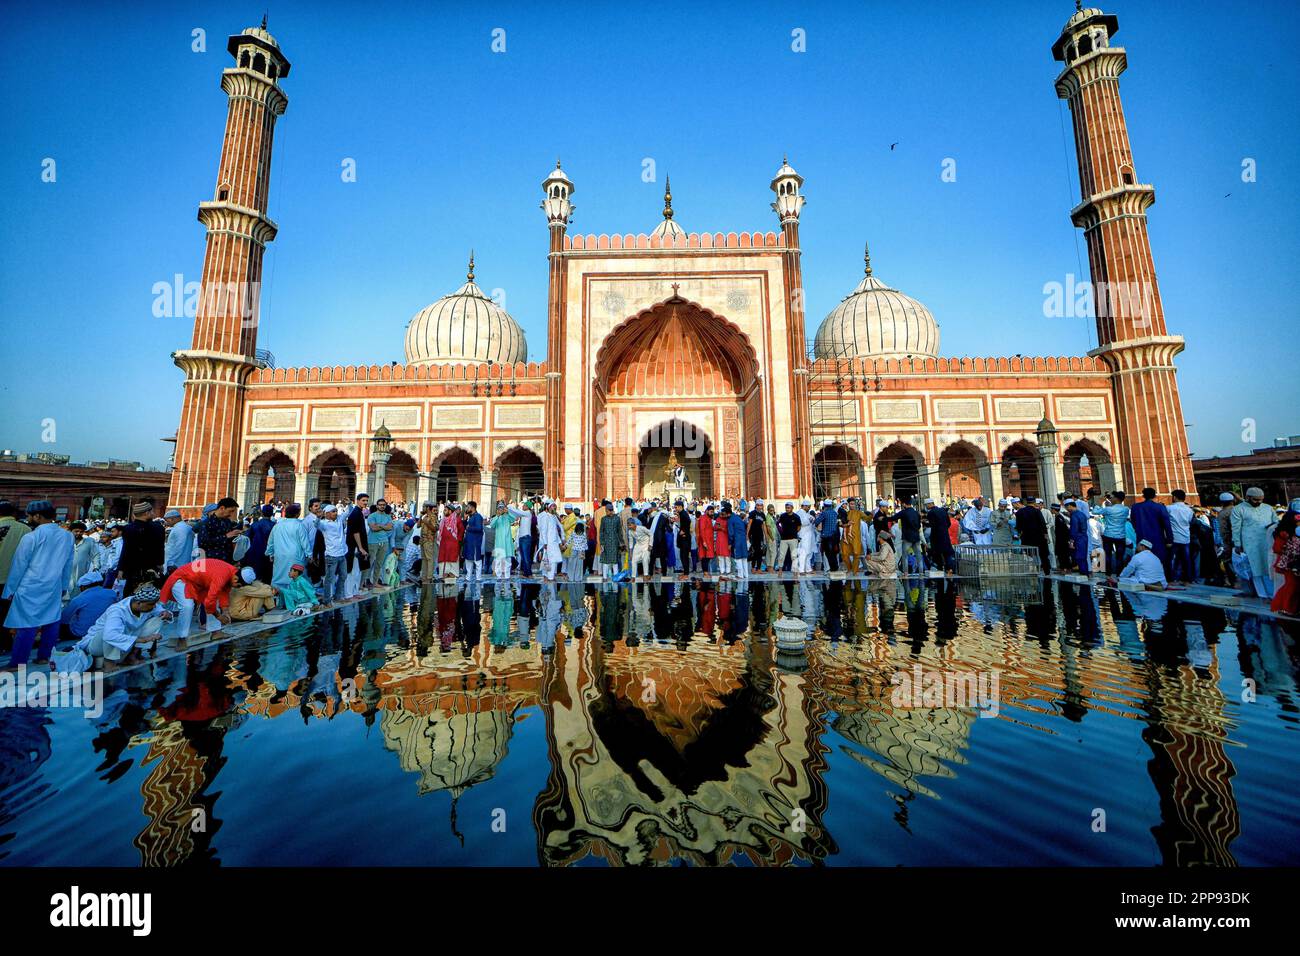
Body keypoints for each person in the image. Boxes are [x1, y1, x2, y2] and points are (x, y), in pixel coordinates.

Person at [2, 500, 74, 668]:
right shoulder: (67, 536)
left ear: (37, 516)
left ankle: (17, 663)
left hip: (29, 587)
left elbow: (19, 566)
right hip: (54, 586)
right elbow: (68, 565)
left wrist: (9, 590)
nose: (28, 518)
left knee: (26, 624)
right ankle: (44, 657)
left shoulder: (32, 537)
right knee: (51, 620)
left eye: (29, 515)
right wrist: (64, 587)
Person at [74, 584, 167, 667]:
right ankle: (109, 662)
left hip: (122, 641)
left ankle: (133, 655)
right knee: (112, 631)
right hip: (95, 645)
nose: (155, 606)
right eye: (152, 604)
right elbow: (110, 635)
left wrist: (166, 613)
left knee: (158, 618)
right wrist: (143, 639)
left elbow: (159, 610)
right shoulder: (118, 610)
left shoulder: (143, 604)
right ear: (139, 603)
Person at [160, 558, 239, 640]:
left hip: (196, 583)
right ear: (236, 579)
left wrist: (225, 612)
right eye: (239, 586)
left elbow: (224, 592)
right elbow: (209, 603)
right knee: (188, 606)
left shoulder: (232, 573)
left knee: (214, 598)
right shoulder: (222, 575)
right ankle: (182, 638)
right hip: (181, 579)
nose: (237, 588)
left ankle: (216, 632)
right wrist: (219, 616)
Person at [1232, 487, 1279, 599]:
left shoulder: (1268, 508)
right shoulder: (1238, 509)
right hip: (1250, 544)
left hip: (1267, 542)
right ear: (1247, 497)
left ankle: (1274, 595)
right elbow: (1236, 528)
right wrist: (1237, 544)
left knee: (1269, 567)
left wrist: (1272, 526)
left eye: (1261, 499)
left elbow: (1276, 522)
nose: (1259, 502)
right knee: (1255, 569)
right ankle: (1262, 595)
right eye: (1255, 500)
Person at [117, 501, 165, 594]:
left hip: (132, 569)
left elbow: (126, 550)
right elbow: (160, 549)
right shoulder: (158, 528)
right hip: (151, 568)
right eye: (152, 511)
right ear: (147, 513)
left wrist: (121, 569)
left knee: (132, 595)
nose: (153, 513)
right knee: (150, 595)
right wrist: (160, 564)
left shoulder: (128, 529)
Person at [0, 500, 32, 632]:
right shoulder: (26, 529)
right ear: (14, 513)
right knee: (8, 613)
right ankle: (5, 641)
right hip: (15, 581)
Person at [59, 571, 117, 642]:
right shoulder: (112, 594)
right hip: (102, 630)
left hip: (80, 633)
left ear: (83, 587)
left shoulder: (79, 599)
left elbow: (64, 618)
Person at [268, 502, 311, 595]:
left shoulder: (277, 525)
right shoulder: (299, 525)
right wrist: (309, 554)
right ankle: (294, 598)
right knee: (295, 577)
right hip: (295, 556)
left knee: (279, 576)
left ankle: (277, 597)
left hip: (280, 555)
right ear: (297, 514)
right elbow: (305, 542)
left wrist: (270, 553)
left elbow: (270, 541)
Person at [1129, 488, 1172, 572]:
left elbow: (1133, 521)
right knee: (1160, 560)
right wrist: (1169, 540)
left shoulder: (1135, 507)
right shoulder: (1160, 507)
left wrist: (1138, 529)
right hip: (1158, 538)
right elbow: (1167, 525)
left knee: (1141, 561)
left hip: (1142, 537)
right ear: (1155, 495)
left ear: (1143, 496)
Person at [1270, 499, 1300, 616]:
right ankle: (1286, 608)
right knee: (1291, 586)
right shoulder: (1284, 533)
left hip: (1295, 563)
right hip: (1290, 564)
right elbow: (1277, 548)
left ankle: (1291, 608)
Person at [196, 497, 243, 564]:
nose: (231, 514)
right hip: (213, 562)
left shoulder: (227, 521)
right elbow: (203, 543)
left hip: (227, 561)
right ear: (222, 508)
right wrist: (225, 536)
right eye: (230, 511)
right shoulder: (207, 524)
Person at [319, 504, 348, 604]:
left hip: (342, 554)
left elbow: (349, 511)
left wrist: (349, 504)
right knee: (329, 579)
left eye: (336, 511)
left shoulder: (339, 520)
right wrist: (318, 517)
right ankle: (326, 600)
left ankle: (338, 597)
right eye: (333, 511)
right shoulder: (324, 524)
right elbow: (316, 525)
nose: (336, 513)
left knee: (343, 576)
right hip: (331, 555)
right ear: (327, 514)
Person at [1015, 498, 1051, 574]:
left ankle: (1033, 571)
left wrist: (1020, 534)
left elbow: (1018, 526)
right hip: (1039, 537)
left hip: (1026, 537)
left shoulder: (1020, 512)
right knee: (1043, 555)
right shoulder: (1037, 511)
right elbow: (1042, 524)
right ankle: (1046, 571)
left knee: (1029, 555)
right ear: (1034, 502)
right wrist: (1046, 535)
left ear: (1026, 502)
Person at [1099, 491, 1130, 575]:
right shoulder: (1126, 509)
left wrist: (1100, 503)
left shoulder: (1108, 509)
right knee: (1119, 557)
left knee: (1108, 555)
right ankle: (1119, 574)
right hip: (1120, 535)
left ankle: (1108, 574)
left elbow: (1095, 511)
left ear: (1116, 498)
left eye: (1112, 497)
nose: (1111, 499)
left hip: (1108, 535)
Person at [1167, 489, 1195, 583]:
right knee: (1186, 560)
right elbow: (1190, 522)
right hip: (1186, 538)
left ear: (1174, 497)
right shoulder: (1189, 510)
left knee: (1172, 560)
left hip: (1173, 538)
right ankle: (1188, 579)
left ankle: (1172, 578)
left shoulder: (1169, 508)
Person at [244, 504, 276, 582]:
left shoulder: (255, 525)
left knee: (255, 577)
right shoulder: (274, 526)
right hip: (269, 554)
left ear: (262, 513)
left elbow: (247, 538)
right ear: (272, 513)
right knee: (267, 577)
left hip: (255, 553)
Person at [366, 499, 395, 587]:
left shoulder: (388, 516)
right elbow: (373, 528)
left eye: (383, 505)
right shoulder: (372, 516)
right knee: (370, 562)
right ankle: (365, 581)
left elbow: (390, 528)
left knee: (379, 563)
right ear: (377, 506)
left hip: (384, 541)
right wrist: (384, 526)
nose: (382, 506)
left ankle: (375, 582)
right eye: (380, 505)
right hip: (373, 541)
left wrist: (379, 525)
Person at [346, 493, 371, 590]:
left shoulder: (359, 512)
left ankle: (354, 592)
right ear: (358, 501)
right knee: (353, 570)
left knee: (357, 570)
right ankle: (350, 593)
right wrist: (360, 548)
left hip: (358, 546)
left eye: (366, 501)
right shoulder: (356, 513)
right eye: (363, 500)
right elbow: (355, 532)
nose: (365, 502)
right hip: (354, 546)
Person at [162, 509, 195, 575]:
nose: (166, 522)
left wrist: (171, 563)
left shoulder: (180, 528)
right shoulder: (183, 527)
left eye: (167, 520)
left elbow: (179, 547)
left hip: (177, 564)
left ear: (173, 518)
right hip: (181, 562)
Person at [925, 498, 954, 574]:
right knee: (947, 554)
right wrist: (943, 529)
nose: (926, 506)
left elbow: (932, 525)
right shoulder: (943, 510)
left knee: (938, 554)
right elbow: (948, 523)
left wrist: (926, 523)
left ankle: (940, 570)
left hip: (936, 537)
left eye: (926, 505)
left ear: (930, 504)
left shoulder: (931, 513)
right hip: (945, 535)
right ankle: (950, 570)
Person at [437, 503, 465, 580]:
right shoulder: (443, 520)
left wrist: (457, 540)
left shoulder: (457, 519)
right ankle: (444, 573)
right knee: (443, 558)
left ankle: (453, 573)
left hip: (453, 544)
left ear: (450, 511)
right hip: (444, 543)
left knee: (452, 558)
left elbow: (461, 530)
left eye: (445, 510)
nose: (444, 512)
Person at [896, 498, 924, 574]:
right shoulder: (916, 513)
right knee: (919, 556)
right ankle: (921, 573)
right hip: (916, 538)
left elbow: (894, 518)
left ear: (904, 504)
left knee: (905, 556)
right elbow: (919, 526)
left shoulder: (903, 513)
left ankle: (905, 573)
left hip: (907, 538)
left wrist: (884, 518)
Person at [597, 500, 624, 579]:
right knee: (605, 561)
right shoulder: (604, 519)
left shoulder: (617, 519)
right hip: (606, 543)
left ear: (610, 510)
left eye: (606, 511)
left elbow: (619, 531)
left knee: (615, 561)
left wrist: (621, 543)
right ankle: (605, 577)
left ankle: (615, 577)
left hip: (615, 543)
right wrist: (601, 543)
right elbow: (601, 531)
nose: (606, 512)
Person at [490, 501, 517, 579]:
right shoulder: (496, 518)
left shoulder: (507, 516)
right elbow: (492, 525)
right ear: (497, 509)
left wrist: (508, 512)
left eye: (502, 508)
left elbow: (514, 519)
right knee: (498, 561)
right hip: (499, 543)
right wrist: (497, 516)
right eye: (499, 508)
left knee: (508, 561)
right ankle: (498, 576)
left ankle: (507, 576)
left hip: (508, 543)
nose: (501, 509)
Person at [509, 500, 536, 577]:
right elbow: (515, 513)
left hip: (525, 537)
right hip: (522, 538)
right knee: (523, 557)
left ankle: (529, 573)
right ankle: (526, 573)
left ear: (527, 507)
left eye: (524, 505)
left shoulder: (527, 513)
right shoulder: (523, 514)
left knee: (526, 556)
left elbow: (517, 512)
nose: (523, 506)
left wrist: (509, 506)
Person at [815, 499, 840, 572]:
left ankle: (833, 569)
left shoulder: (824, 513)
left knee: (828, 553)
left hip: (826, 536)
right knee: (833, 553)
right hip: (834, 535)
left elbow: (817, 522)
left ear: (825, 505)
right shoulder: (834, 513)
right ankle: (835, 568)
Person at [68, 521, 96, 588]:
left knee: (79, 588)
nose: (79, 533)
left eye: (81, 531)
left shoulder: (89, 542)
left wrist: (96, 567)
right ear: (71, 531)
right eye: (76, 531)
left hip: (82, 570)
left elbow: (95, 555)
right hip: (67, 571)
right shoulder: (65, 541)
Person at [462, 501, 484, 581]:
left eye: (468, 507)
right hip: (468, 542)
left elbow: (479, 528)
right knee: (468, 560)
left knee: (477, 561)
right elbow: (465, 527)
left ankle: (478, 578)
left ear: (472, 508)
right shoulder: (470, 517)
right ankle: (468, 577)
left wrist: (469, 528)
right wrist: (464, 520)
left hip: (475, 543)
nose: (466, 509)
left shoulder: (478, 516)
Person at [726, 503, 750, 581]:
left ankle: (740, 575)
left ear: (728, 514)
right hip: (743, 540)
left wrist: (729, 543)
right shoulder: (738, 518)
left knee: (738, 557)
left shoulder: (730, 520)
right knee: (744, 558)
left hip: (737, 540)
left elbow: (731, 533)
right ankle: (745, 575)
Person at [1066, 499, 1090, 572]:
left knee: (1079, 557)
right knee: (1083, 557)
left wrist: (1071, 541)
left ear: (1070, 506)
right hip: (1084, 537)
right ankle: (1085, 572)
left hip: (1078, 538)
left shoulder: (1074, 515)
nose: (1067, 509)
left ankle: (1083, 573)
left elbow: (1074, 529)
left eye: (1067, 507)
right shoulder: (1082, 514)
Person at [418, 501, 439, 583]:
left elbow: (435, 529)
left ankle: (429, 577)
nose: (422, 508)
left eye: (424, 507)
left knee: (429, 559)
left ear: (427, 508)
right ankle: (424, 576)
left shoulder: (433, 517)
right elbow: (418, 525)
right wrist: (421, 517)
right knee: (423, 559)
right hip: (422, 540)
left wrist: (427, 523)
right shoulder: (424, 516)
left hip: (429, 540)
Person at [696, 504, 716, 574]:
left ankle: (706, 571)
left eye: (712, 512)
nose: (712, 513)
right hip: (705, 541)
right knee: (705, 557)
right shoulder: (703, 518)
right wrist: (704, 542)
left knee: (708, 556)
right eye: (711, 512)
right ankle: (705, 572)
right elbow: (702, 530)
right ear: (707, 511)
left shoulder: (709, 518)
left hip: (709, 541)